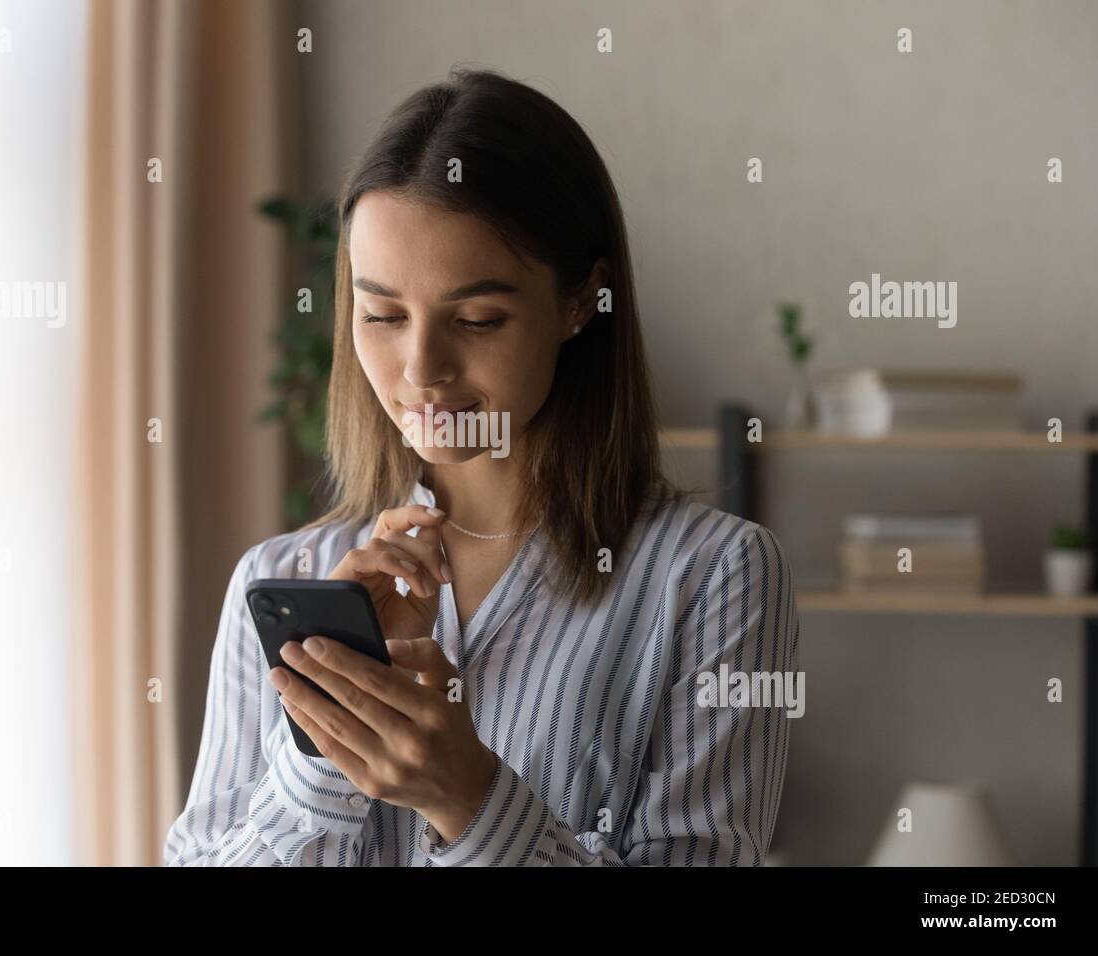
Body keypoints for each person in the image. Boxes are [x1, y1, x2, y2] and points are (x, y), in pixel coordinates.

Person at [163, 66, 799, 866]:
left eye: (476, 318)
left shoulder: (713, 576)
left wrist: (468, 800)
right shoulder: (284, 578)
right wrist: (320, 757)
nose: (421, 368)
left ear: (581, 303)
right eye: (383, 314)